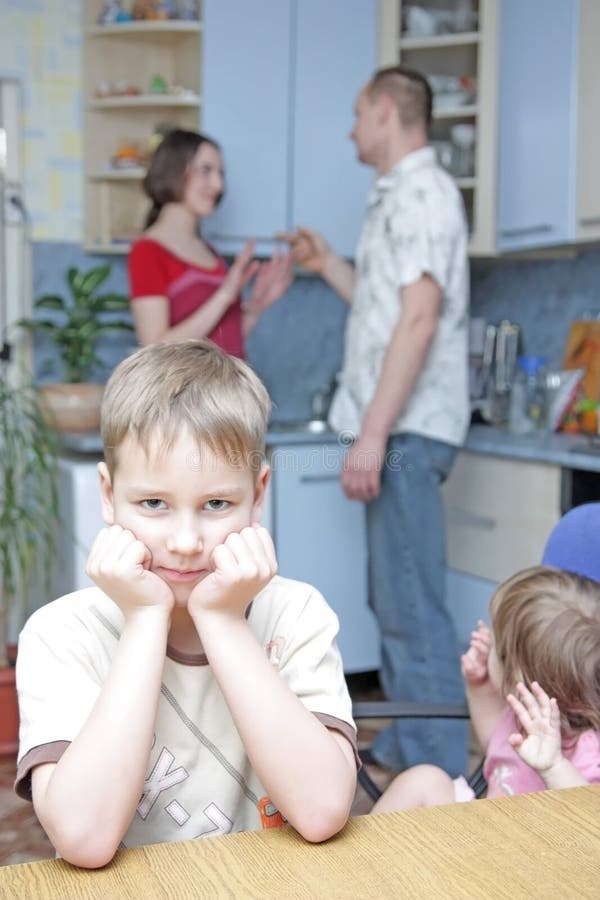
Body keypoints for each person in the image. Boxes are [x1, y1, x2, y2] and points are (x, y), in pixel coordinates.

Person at [14, 339, 358, 869]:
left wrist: (222, 620)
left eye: (216, 503)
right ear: (108, 495)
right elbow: (84, 839)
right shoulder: (60, 634)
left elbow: (322, 812)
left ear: (258, 494)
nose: (185, 541)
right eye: (153, 503)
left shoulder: (297, 614)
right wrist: (144, 619)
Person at [279, 65, 470, 776]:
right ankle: (408, 743)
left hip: (407, 431)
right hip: (399, 428)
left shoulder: (423, 193)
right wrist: (329, 263)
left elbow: (419, 322)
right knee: (391, 598)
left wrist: (373, 433)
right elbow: (386, 307)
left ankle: (436, 769)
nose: (352, 129)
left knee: (412, 604)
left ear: (387, 111)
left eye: (359, 113)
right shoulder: (399, 196)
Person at [370, 565, 600, 813]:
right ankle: (369, 841)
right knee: (424, 781)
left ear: (515, 676)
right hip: (486, 826)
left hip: (533, 838)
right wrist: (479, 685)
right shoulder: (522, 718)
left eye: (496, 644)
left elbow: (591, 823)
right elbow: (495, 745)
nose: (487, 641)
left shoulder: (588, 753)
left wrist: (554, 767)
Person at [128, 129, 293, 356]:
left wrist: (256, 307)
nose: (218, 185)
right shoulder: (147, 252)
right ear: (172, 170)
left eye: (220, 174)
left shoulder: (209, 251)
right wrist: (225, 295)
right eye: (206, 170)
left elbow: (224, 343)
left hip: (229, 379)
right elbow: (154, 350)